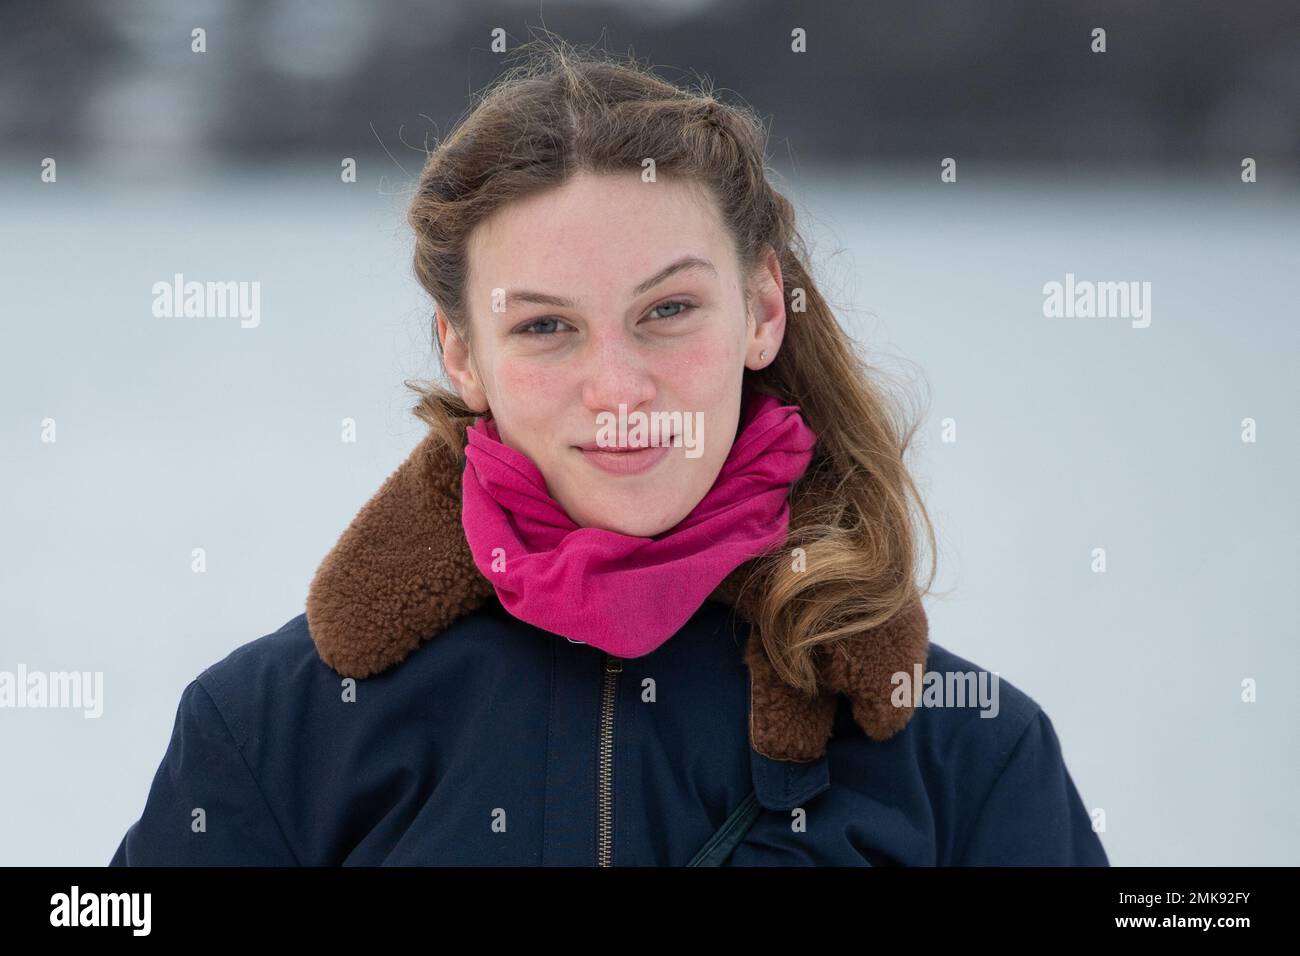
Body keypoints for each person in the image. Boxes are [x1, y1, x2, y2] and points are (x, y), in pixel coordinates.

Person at [109, 39, 1108, 867]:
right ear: (462, 352)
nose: (620, 388)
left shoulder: (967, 752)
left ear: (762, 309)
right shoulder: (271, 731)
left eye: (667, 309)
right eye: (546, 327)